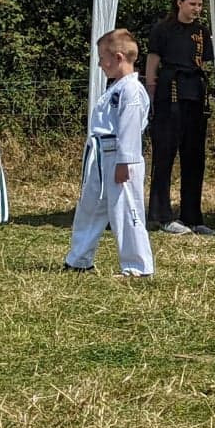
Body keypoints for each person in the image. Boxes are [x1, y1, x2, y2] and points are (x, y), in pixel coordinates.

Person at [65, 29, 154, 277]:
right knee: (90, 207)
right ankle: (79, 260)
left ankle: (138, 266)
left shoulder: (132, 90)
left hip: (121, 156)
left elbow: (129, 128)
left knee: (126, 210)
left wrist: (125, 162)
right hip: (101, 153)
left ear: (117, 57)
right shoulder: (115, 87)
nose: (101, 65)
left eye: (103, 58)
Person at [142, 0, 215, 235]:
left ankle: (192, 216)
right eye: (192, 4)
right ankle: (162, 215)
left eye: (199, 5)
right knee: (165, 154)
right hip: (169, 91)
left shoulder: (201, 32)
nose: (196, 9)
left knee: (194, 156)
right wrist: (150, 91)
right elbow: (153, 60)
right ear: (179, 3)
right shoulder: (163, 29)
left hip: (194, 93)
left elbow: (204, 63)